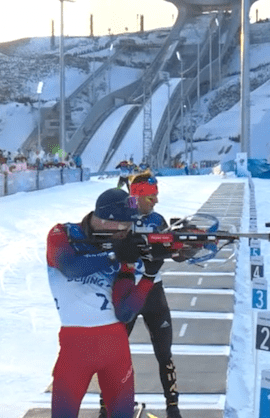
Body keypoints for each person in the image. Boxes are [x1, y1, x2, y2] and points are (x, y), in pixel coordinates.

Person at [46, 187, 156, 418]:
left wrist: (148, 277)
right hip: (75, 346)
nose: (127, 231)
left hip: (115, 345)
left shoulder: (124, 246)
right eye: (124, 225)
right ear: (106, 220)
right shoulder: (62, 233)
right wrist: (114, 255)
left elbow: (125, 312)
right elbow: (70, 268)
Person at [98, 172, 183, 418]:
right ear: (138, 196)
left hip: (154, 293)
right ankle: (106, 406)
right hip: (128, 291)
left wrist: (181, 251)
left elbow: (173, 251)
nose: (156, 201)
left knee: (165, 352)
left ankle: (173, 407)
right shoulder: (119, 218)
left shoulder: (158, 219)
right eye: (152, 197)